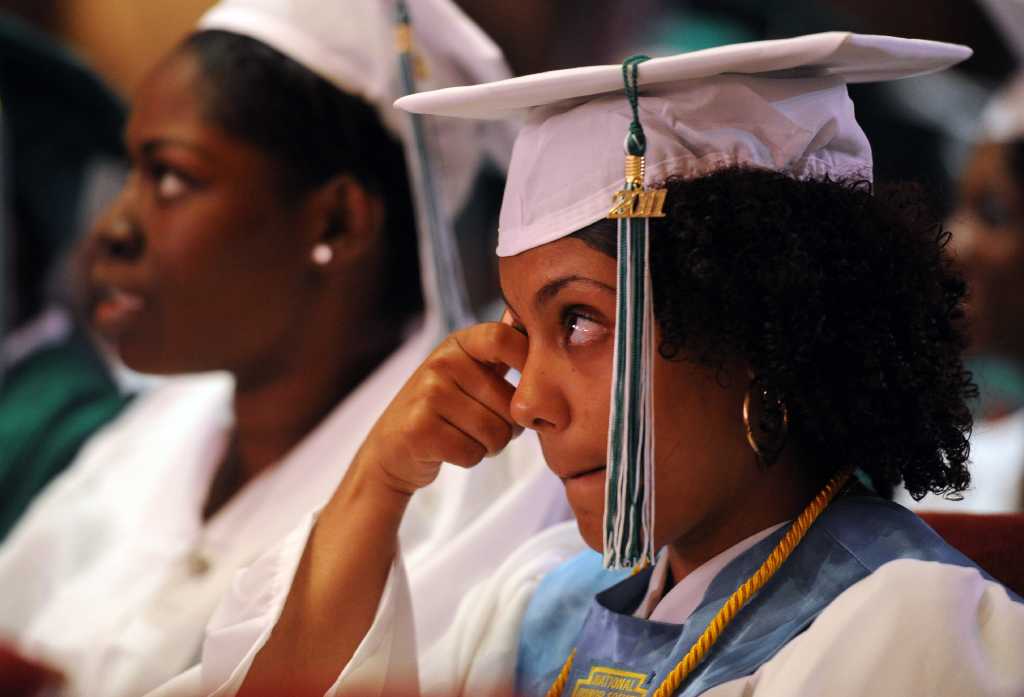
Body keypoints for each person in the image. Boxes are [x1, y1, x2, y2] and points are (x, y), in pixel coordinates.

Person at [183, 32, 1024, 697]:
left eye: (579, 319)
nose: (527, 402)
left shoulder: (909, 630)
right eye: (519, 329)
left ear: (761, 328)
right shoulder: (537, 605)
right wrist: (378, 480)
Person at [0, 2, 569, 696]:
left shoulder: (470, 489)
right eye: (131, 174)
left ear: (337, 219)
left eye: (172, 177)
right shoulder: (149, 438)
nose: (115, 227)